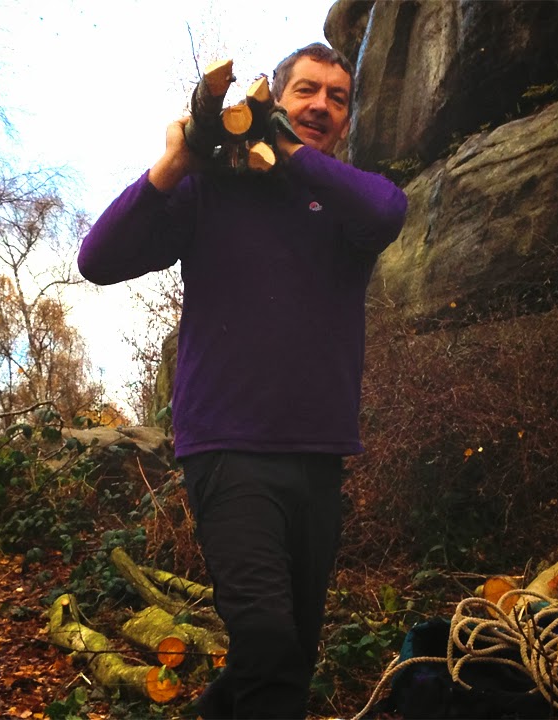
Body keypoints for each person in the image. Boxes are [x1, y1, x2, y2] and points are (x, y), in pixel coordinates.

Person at [77, 42, 408, 719]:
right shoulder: (213, 190)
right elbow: (98, 260)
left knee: (290, 663)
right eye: (306, 91)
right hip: (227, 445)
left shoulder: (344, 207)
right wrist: (173, 164)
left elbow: (386, 211)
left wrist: (289, 152)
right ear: (274, 99)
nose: (320, 105)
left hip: (318, 453)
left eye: (336, 97)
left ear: (345, 117)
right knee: (263, 636)